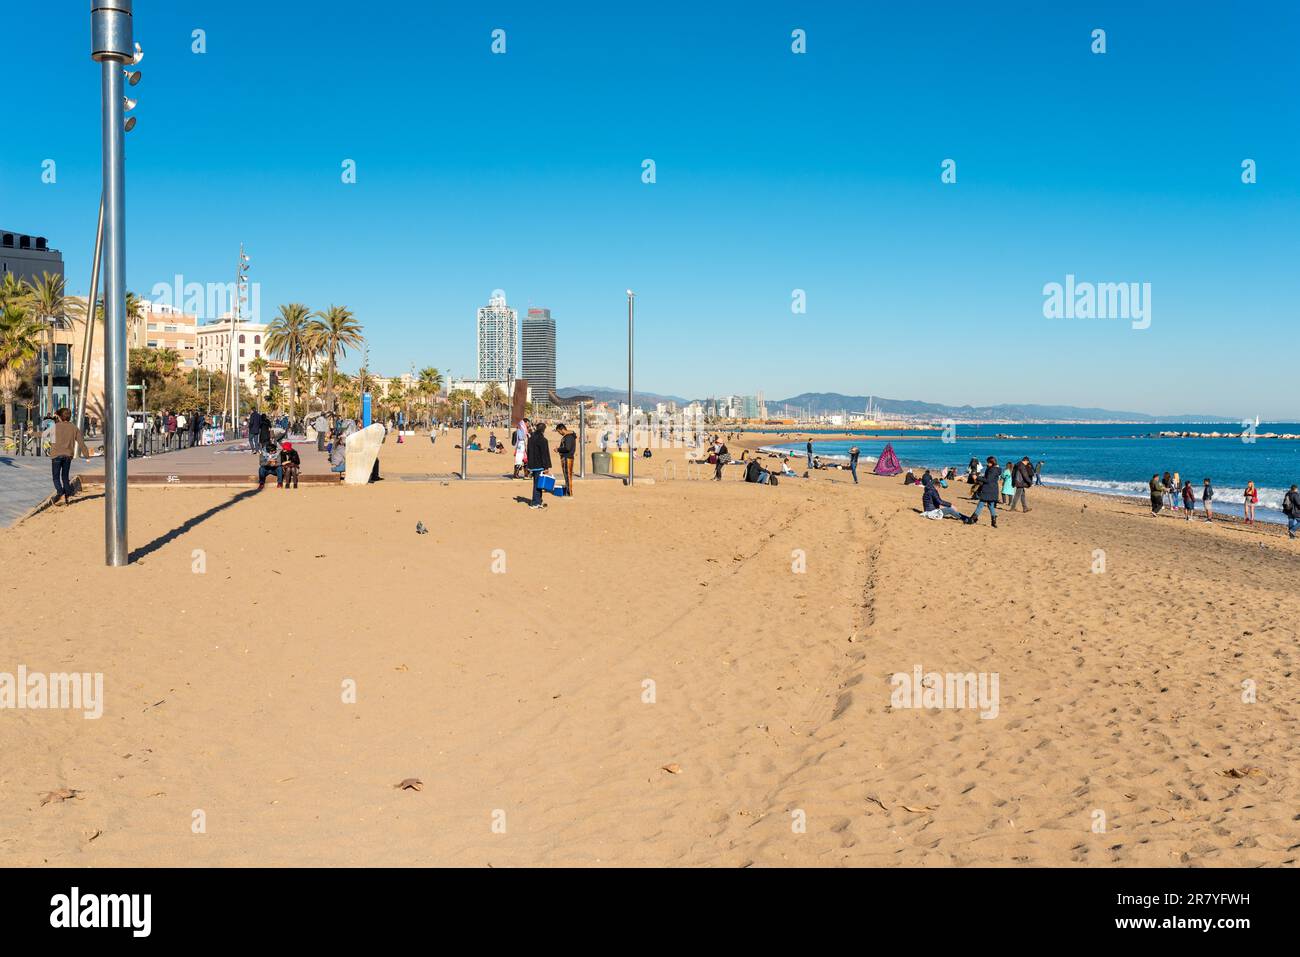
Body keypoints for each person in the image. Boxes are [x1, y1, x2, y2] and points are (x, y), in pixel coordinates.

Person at [48, 407, 90, 505]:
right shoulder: (74, 428)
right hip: (67, 456)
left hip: (56, 455)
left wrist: (31, 433)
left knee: (56, 477)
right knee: (65, 477)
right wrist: (87, 456)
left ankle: (61, 493)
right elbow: (81, 443)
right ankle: (67, 497)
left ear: (60, 417)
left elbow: (43, 434)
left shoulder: (55, 426)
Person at [526, 422, 552, 509]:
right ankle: (535, 502)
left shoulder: (531, 439)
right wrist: (546, 467)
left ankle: (538, 501)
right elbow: (545, 454)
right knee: (538, 484)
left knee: (537, 483)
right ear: (544, 430)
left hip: (532, 465)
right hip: (540, 465)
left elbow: (528, 452)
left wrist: (528, 465)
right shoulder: (543, 440)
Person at [969, 456, 1000, 527]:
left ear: (991, 463)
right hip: (993, 490)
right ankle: (993, 521)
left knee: (981, 504)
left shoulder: (992, 470)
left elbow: (987, 480)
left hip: (988, 490)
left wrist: (977, 477)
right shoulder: (994, 469)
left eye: (988, 462)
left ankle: (973, 519)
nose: (987, 463)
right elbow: (988, 479)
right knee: (991, 505)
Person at [556, 424, 576, 497]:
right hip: (566, 458)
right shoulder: (568, 436)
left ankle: (569, 493)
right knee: (566, 476)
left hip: (567, 458)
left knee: (568, 476)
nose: (559, 433)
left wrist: (558, 449)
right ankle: (568, 492)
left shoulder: (569, 437)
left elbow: (567, 448)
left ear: (562, 429)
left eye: (559, 431)